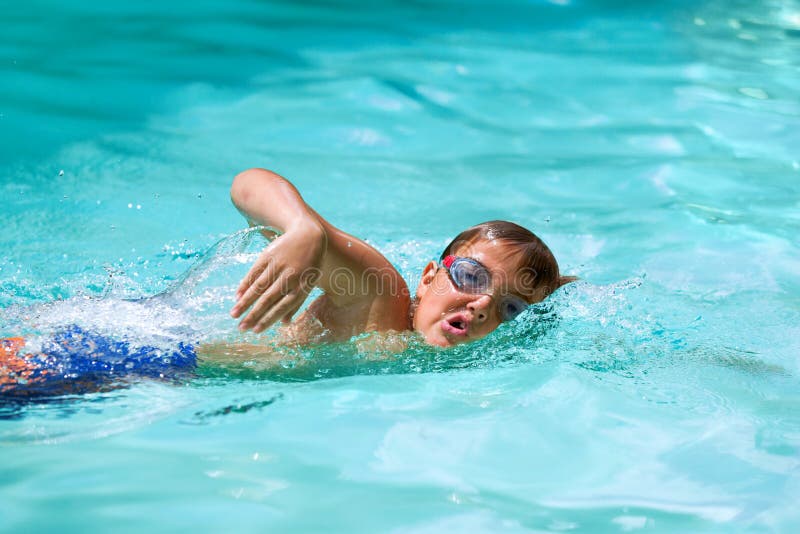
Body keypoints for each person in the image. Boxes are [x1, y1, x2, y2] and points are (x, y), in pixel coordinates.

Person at [1, 168, 573, 396]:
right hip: (105, 355)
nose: (480, 306)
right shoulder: (379, 295)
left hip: (150, 367)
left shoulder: (427, 352)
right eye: (471, 277)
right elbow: (248, 185)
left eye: (511, 309)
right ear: (429, 276)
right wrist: (302, 228)